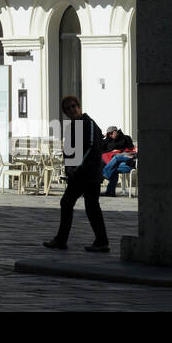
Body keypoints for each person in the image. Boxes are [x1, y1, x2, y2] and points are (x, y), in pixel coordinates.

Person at [44, 96, 110, 253]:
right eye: (68, 108)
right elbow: (68, 150)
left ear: (79, 106)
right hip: (78, 175)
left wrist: (77, 166)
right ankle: (65, 240)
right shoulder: (72, 127)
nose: (72, 110)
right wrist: (68, 168)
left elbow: (92, 147)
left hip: (89, 173)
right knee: (71, 203)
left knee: (87, 205)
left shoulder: (89, 123)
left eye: (73, 106)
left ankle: (100, 241)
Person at [101, 125, 137, 196]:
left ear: (115, 132)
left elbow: (131, 149)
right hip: (115, 163)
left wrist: (119, 151)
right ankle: (110, 192)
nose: (111, 135)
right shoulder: (108, 140)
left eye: (112, 133)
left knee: (116, 159)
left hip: (126, 160)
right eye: (109, 134)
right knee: (114, 168)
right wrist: (103, 137)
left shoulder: (126, 138)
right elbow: (100, 147)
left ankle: (103, 175)